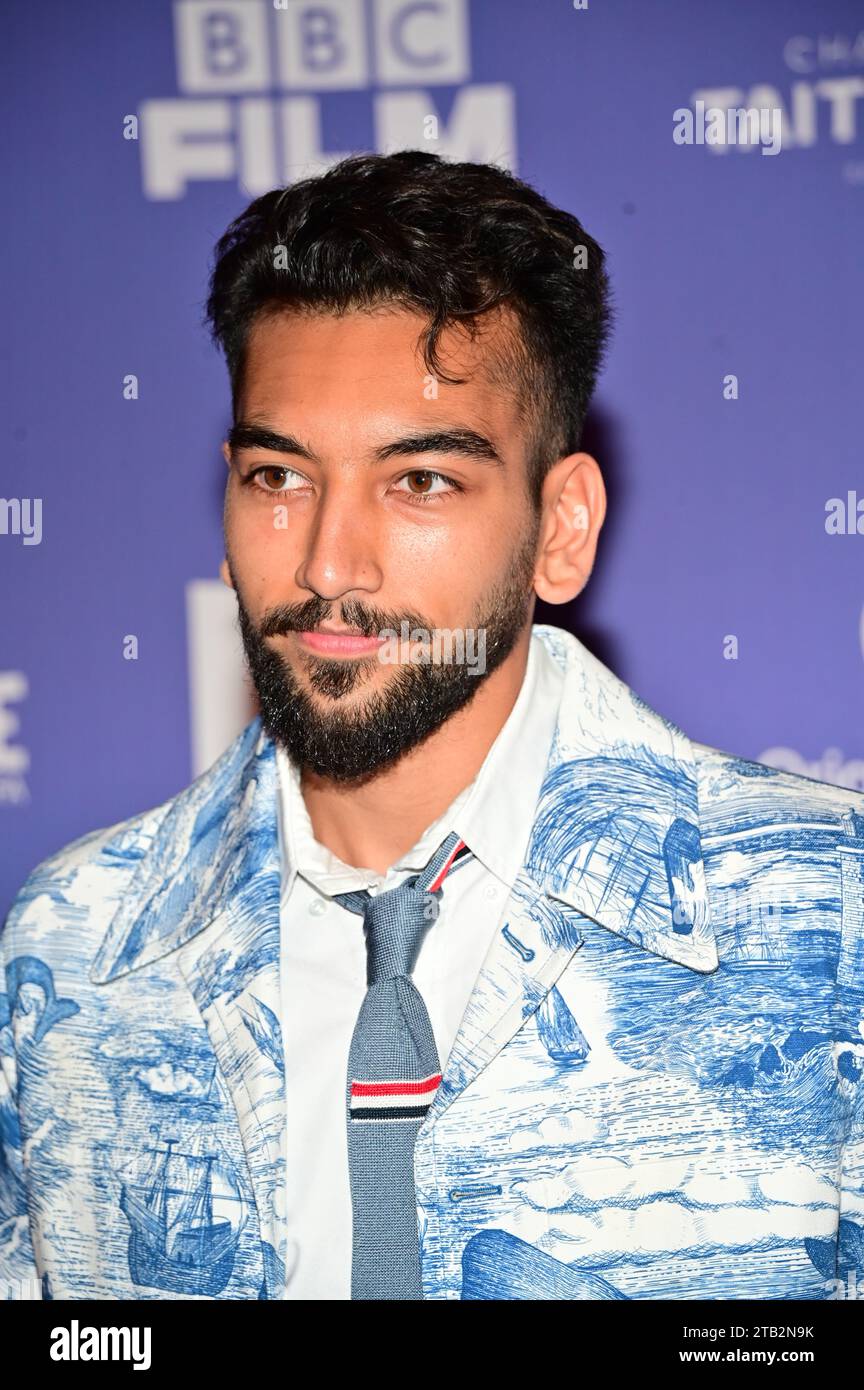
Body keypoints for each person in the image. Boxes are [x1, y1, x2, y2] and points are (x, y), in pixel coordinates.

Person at [1, 152, 861, 1303]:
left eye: (421, 483)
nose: (326, 564)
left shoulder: (830, 924)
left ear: (562, 528)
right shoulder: (70, 951)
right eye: (278, 476)